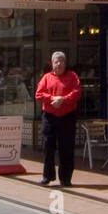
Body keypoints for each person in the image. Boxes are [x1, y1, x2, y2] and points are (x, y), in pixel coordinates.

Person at [35, 50, 81, 187]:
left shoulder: (72, 76)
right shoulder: (46, 77)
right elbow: (38, 94)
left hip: (67, 116)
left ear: (65, 63)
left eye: (61, 61)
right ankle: (47, 176)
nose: (59, 64)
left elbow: (77, 93)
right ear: (52, 63)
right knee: (48, 146)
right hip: (49, 117)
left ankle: (65, 178)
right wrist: (52, 98)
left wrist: (63, 99)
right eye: (56, 62)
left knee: (66, 147)